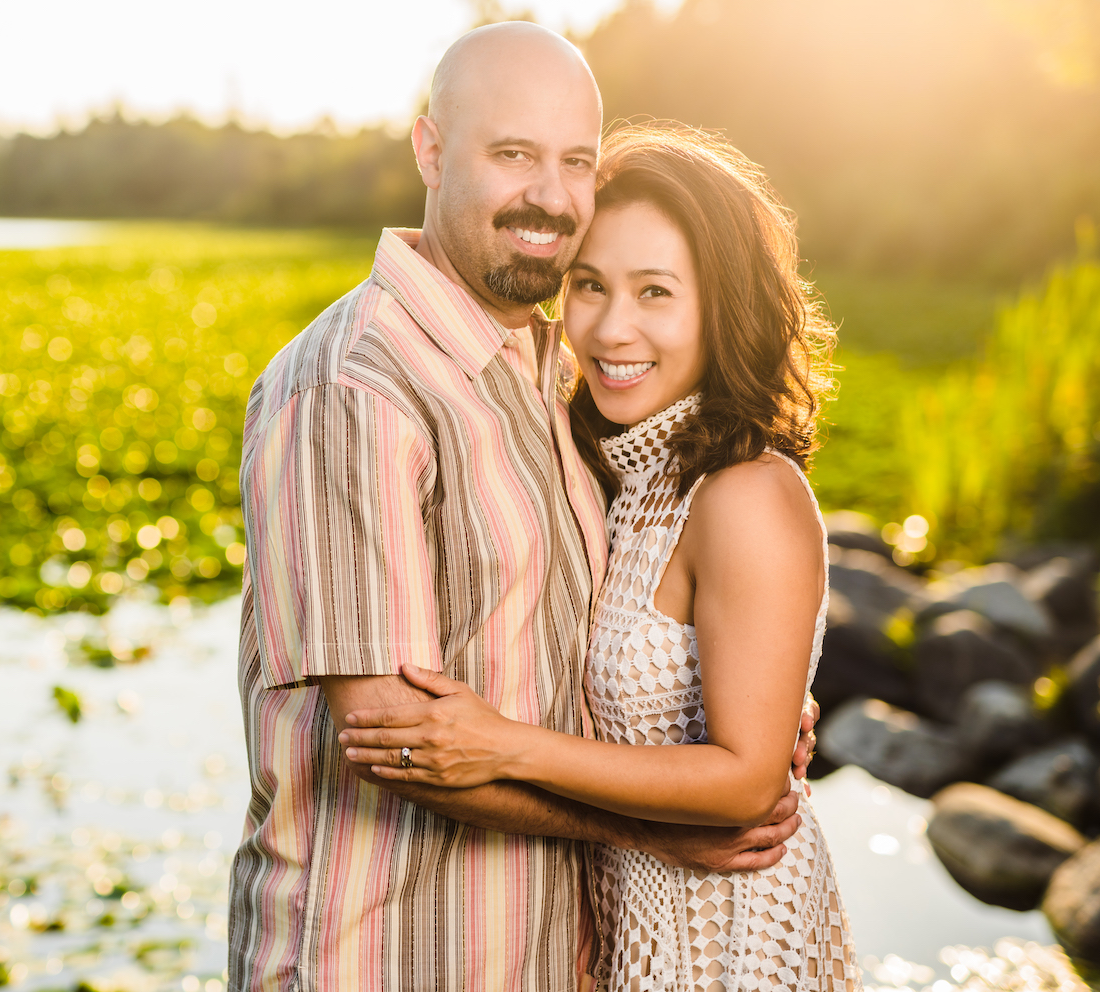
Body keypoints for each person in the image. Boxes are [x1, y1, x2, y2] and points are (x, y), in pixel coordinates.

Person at [228, 23, 818, 991]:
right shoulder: (354, 391)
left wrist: (747, 699)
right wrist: (661, 825)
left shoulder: (554, 371)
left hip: (557, 952)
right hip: (387, 954)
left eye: (573, 161)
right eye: (512, 154)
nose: (547, 194)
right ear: (429, 149)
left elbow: (628, 626)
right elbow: (399, 740)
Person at [339, 122, 857, 989]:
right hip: (626, 916)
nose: (613, 329)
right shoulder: (609, 469)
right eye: (589, 285)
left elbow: (745, 781)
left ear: (721, 303)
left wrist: (503, 745)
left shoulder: (746, 493)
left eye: (656, 291)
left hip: (724, 934)